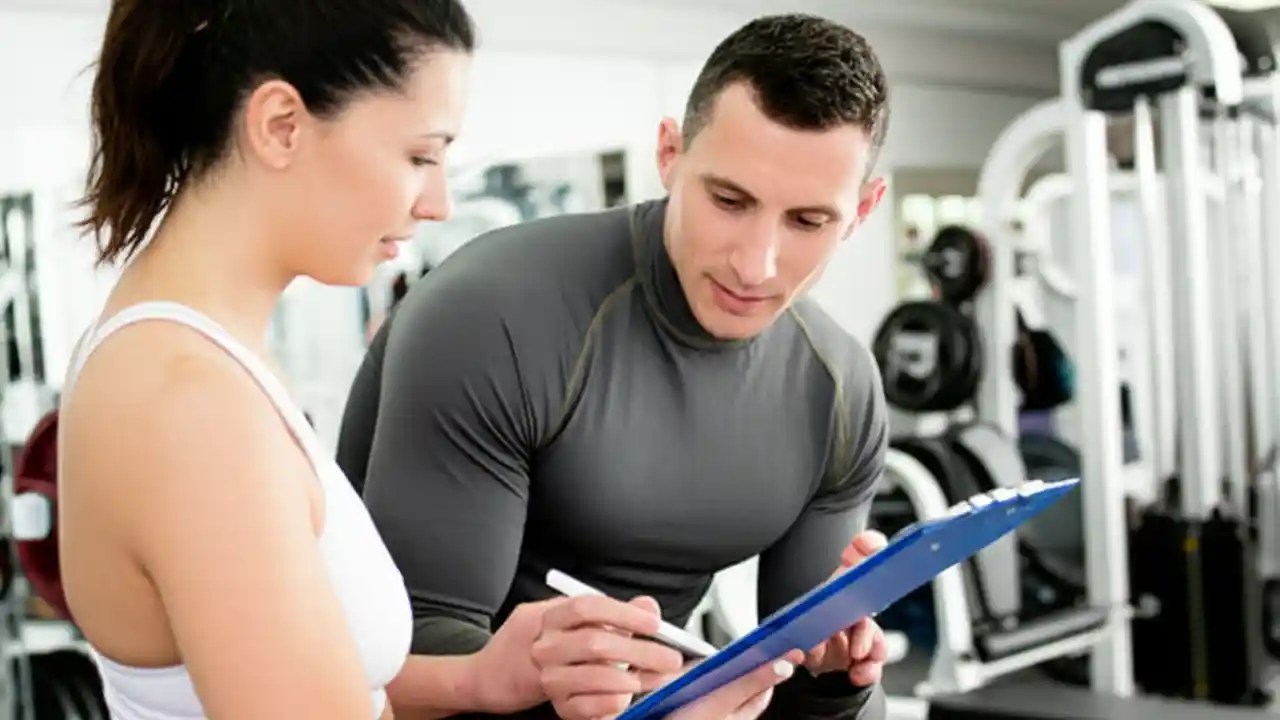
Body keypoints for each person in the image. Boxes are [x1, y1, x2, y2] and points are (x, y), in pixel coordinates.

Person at [58, 1, 800, 718]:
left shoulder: (206, 362)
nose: (438, 202)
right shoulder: (194, 408)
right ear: (281, 125)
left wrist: (476, 680)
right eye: (420, 156)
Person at [338, 12, 893, 720]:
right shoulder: (491, 316)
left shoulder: (840, 389)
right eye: (729, 201)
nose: (756, 265)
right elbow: (402, 669)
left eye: (808, 222)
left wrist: (837, 680)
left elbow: (804, 687)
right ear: (669, 154)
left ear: (863, 210)